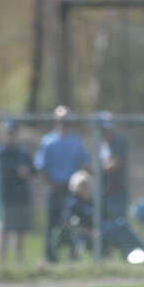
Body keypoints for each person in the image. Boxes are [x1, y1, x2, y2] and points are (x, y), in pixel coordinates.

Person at [34, 106, 91, 263]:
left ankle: (73, 256)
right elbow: (41, 167)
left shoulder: (76, 141)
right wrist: (52, 184)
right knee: (52, 225)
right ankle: (50, 258)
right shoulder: (48, 141)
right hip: (55, 189)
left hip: (73, 191)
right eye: (61, 120)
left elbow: (85, 164)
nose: (64, 123)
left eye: (66, 120)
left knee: (73, 224)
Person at [57, 170, 144, 264]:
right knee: (121, 227)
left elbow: (105, 216)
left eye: (86, 185)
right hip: (88, 234)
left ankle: (136, 255)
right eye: (82, 185)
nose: (85, 188)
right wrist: (89, 232)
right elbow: (69, 223)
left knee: (121, 226)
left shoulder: (93, 201)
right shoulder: (73, 203)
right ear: (75, 187)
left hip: (101, 229)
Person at [0, 119, 34, 265]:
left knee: (20, 231)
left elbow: (33, 169)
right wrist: (17, 171)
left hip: (22, 195)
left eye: (13, 133)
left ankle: (19, 261)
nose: (11, 135)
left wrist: (27, 171)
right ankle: (2, 262)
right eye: (8, 133)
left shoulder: (22, 152)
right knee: (5, 230)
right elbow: (4, 171)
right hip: (8, 197)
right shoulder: (2, 152)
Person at [97, 112, 130, 222]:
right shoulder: (100, 144)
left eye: (107, 129)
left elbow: (116, 163)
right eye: (103, 129)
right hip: (102, 192)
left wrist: (98, 169)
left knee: (119, 223)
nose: (105, 132)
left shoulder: (120, 141)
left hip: (117, 193)